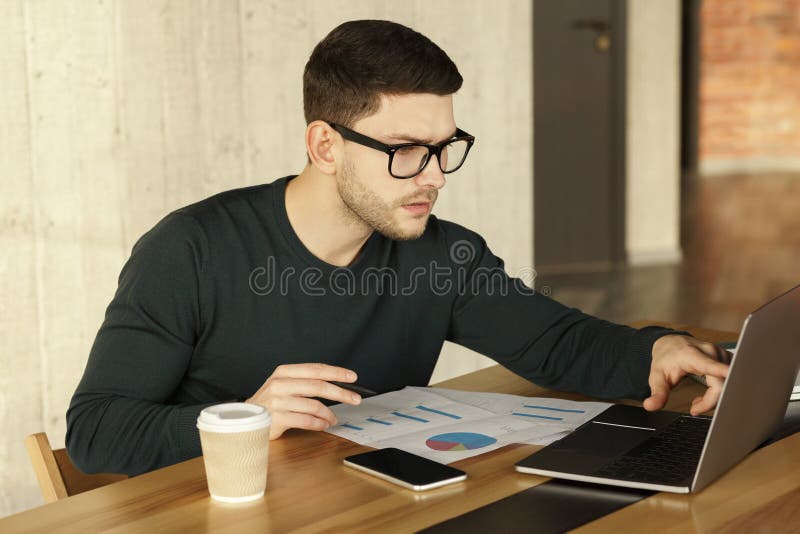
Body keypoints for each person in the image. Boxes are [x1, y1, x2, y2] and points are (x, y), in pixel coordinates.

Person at [66, 20, 729, 476]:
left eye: (444, 147)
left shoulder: (443, 256)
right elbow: (96, 432)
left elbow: (557, 344)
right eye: (407, 151)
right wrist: (243, 419)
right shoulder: (191, 250)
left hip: (365, 506)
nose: (435, 175)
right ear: (326, 146)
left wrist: (658, 349)